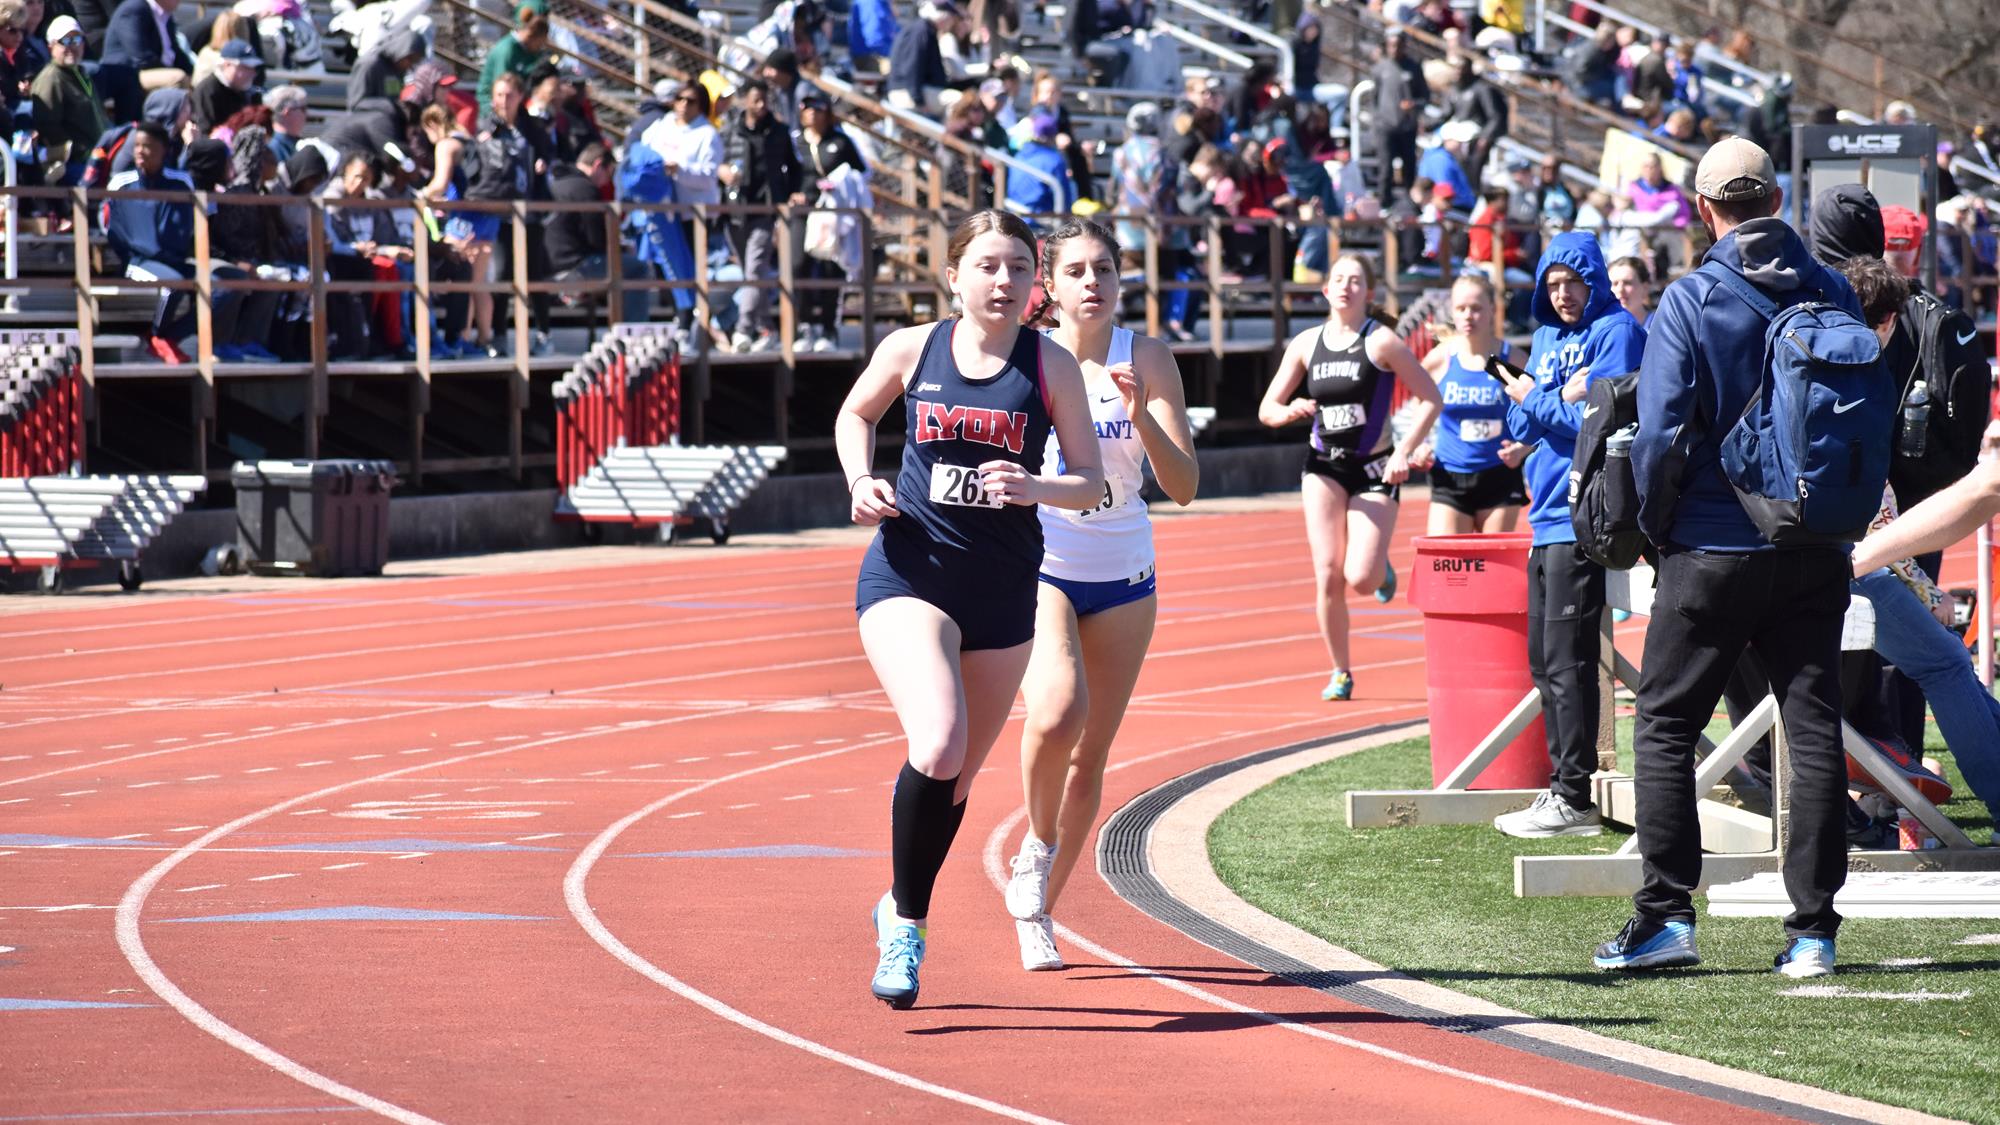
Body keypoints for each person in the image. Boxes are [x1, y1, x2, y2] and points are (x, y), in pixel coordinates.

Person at [1600, 137, 1860, 979]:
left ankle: (1668, 916)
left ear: (1705, 208)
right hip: (1816, 540)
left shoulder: (1693, 296)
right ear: (1778, 196)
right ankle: (1814, 932)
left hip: (1713, 542)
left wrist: (1657, 529)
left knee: (1668, 724)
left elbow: (1663, 433)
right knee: (1812, 726)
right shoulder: (1829, 287)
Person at [834, 209, 1105, 1010]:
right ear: (954, 275)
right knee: (940, 741)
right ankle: (908, 924)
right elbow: (856, 413)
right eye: (988, 265)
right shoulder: (912, 349)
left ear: (1036, 285)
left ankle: (896, 899)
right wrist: (859, 479)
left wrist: (1036, 486)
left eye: (1020, 268)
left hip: (1003, 592)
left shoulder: (1050, 365)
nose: (1004, 281)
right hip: (909, 573)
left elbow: (1092, 481)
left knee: (950, 782)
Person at [1003, 219, 1199, 972]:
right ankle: (1036, 843)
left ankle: (1040, 909)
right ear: (1049, 285)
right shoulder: (1028, 359)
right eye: (1077, 271)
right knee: (1056, 709)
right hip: (1045, 563)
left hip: (1125, 575)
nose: (1093, 283)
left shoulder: (1146, 355)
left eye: (1105, 270)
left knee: (1091, 759)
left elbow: (1183, 487)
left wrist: (1143, 409)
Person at [1489, 230, 1646, 840]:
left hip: (1586, 514)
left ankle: (1573, 797)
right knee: (1544, 661)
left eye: (1570, 283)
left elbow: (1603, 418)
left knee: (1569, 660)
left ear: (1593, 279)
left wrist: (1541, 401)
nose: (1561, 296)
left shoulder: (1618, 331)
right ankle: (1563, 789)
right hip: (1543, 513)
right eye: (1551, 285)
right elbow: (1516, 414)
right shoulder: (1550, 336)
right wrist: (1556, 397)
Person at [1833, 255, 2000, 817]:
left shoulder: (1798, 362)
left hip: (1771, 558)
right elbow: (1878, 526)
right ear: (1886, 324)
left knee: (1944, 657)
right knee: (1946, 664)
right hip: (1843, 566)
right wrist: (1929, 595)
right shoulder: (1868, 385)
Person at [1259, 254, 1441, 701]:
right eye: (1338, 279)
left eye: (1355, 280)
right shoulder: (1305, 343)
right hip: (1323, 466)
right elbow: (1267, 408)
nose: (1345, 286)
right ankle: (1340, 670)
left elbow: (1430, 398)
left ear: (1369, 292)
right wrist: (1288, 412)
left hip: (1375, 469)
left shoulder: (1381, 343)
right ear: (1326, 291)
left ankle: (1379, 570)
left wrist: (1403, 451)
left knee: (1359, 576)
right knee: (1327, 573)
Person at [1416, 273, 1528, 534]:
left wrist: (1522, 449)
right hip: (1449, 474)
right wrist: (1421, 446)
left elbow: (1540, 414)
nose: (1468, 315)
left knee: (1492, 568)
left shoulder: (1511, 360)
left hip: (1499, 474)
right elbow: (1416, 406)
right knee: (1449, 566)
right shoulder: (1441, 359)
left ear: (1493, 309)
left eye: (1476, 308)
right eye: (1461, 308)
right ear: (1452, 312)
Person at [720, 78, 802, 353]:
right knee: (750, 273)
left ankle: (743, 329)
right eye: (756, 99)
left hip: (766, 208)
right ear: (745, 100)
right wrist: (723, 173)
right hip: (734, 209)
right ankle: (768, 327)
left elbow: (793, 166)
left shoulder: (778, 131)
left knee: (755, 268)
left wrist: (791, 193)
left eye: (765, 99)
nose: (762, 104)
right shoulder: (731, 128)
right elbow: (714, 161)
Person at [545, 142, 653, 327]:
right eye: (608, 174)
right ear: (597, 165)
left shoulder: (557, 182)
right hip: (574, 265)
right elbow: (599, 241)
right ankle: (633, 332)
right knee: (638, 269)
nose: (606, 182)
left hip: (548, 263)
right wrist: (622, 248)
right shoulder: (586, 189)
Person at [792, 90, 864, 352]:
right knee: (798, 265)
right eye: (807, 107)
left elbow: (860, 174)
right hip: (802, 211)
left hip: (832, 212)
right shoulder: (794, 142)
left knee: (831, 266)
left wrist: (840, 187)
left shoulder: (841, 141)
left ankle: (828, 328)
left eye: (818, 108)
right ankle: (804, 325)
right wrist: (791, 193)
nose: (812, 112)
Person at [30, 15, 107, 186]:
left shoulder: (81, 73)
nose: (72, 46)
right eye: (65, 41)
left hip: (97, 155)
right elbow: (47, 124)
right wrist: (74, 150)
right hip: (74, 163)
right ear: (51, 46)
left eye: (77, 39)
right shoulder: (51, 78)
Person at [99, 0, 193, 121]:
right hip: (128, 72)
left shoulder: (165, 16)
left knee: (194, 79)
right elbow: (140, 56)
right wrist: (173, 71)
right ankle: (167, 128)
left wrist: (193, 74)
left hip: (152, 69)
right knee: (176, 78)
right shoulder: (134, 9)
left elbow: (176, 53)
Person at [1370, 28, 1427, 206]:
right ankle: (1384, 205)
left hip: (1407, 127)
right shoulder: (1380, 69)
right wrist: (1377, 121)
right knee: (1385, 168)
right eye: (1392, 45)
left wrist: (1414, 105)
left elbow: (1425, 97)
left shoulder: (1414, 67)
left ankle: (1410, 205)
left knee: (1408, 168)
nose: (1395, 49)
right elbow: (1374, 99)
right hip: (1385, 127)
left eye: (1398, 45)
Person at [477, 4, 547, 108]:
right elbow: (502, 87)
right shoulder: (507, 50)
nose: (540, 47)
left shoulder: (529, 51)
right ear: (531, 37)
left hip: (515, 103)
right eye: (540, 44)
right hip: (493, 108)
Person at [190, 36, 257, 134]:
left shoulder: (246, 91)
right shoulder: (208, 91)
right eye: (245, 67)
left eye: (253, 68)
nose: (252, 73)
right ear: (227, 65)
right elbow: (206, 132)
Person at [346, 24, 420, 109]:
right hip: (366, 121)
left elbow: (395, 98)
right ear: (401, 51)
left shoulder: (397, 70)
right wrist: (388, 106)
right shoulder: (369, 65)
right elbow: (356, 102)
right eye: (410, 59)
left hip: (388, 120)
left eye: (415, 62)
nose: (410, 65)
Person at [1606, 254, 1650, 325]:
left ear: (1645, 288)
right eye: (1615, 283)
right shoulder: (1602, 330)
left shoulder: (1663, 325)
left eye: (1627, 283)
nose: (1620, 289)